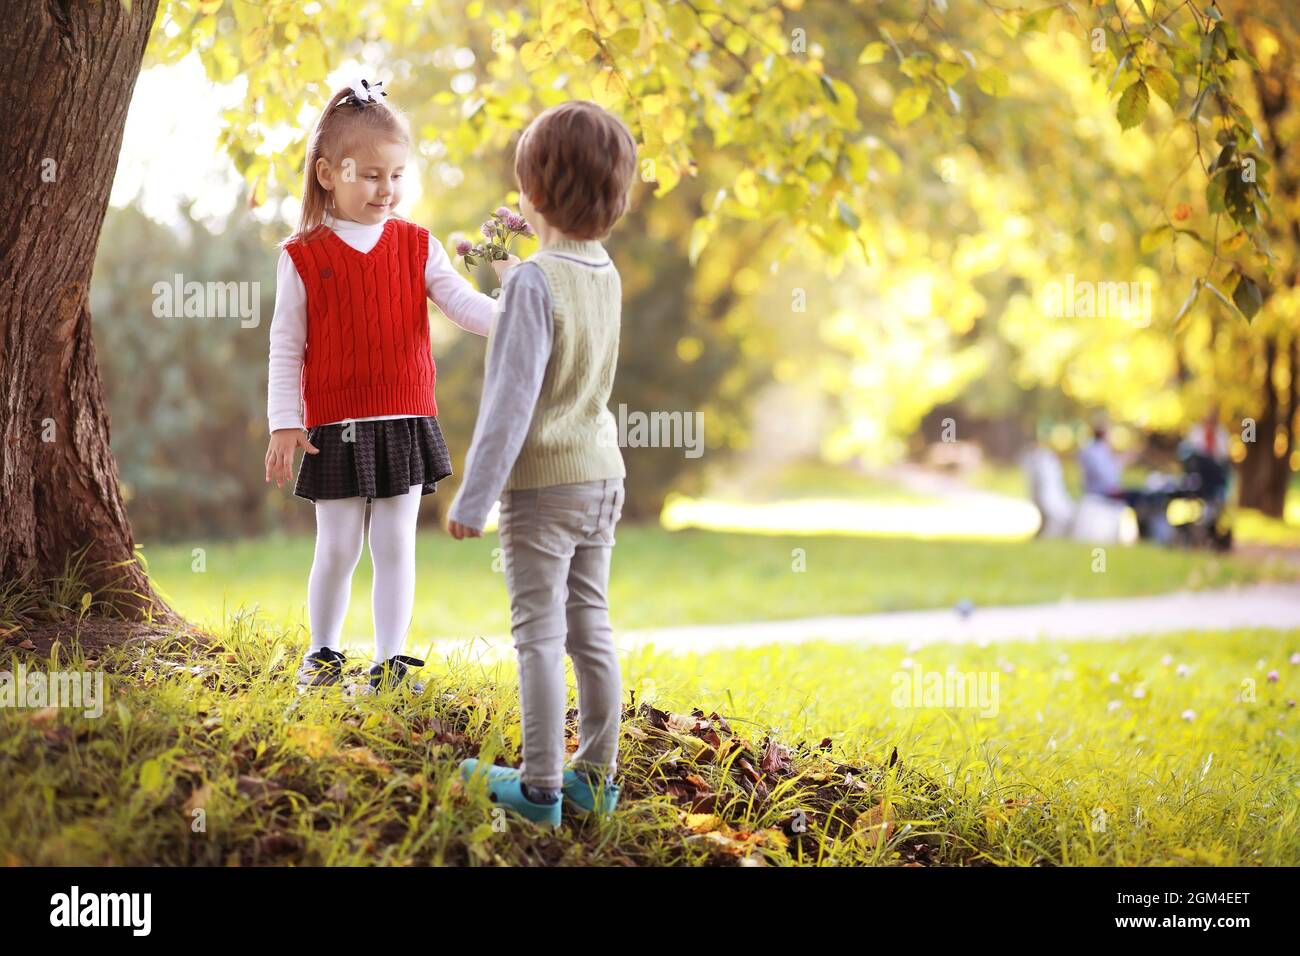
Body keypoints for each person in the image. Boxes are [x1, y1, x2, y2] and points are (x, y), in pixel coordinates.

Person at [263, 80, 503, 693]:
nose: (386, 189)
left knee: (396, 543)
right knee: (338, 546)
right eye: (371, 175)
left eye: (396, 175)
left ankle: (392, 660)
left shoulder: (416, 245)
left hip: (403, 419)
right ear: (326, 173)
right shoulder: (303, 255)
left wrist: (514, 319)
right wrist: (284, 422)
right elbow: (286, 346)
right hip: (332, 426)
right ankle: (322, 653)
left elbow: (461, 304)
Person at [448, 100, 637, 827]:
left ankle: (538, 790)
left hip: (541, 487)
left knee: (537, 635)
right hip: (601, 476)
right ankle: (595, 778)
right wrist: (505, 270)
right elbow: (549, 324)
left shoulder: (533, 282)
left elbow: (512, 400)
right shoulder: (604, 272)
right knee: (591, 627)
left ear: (530, 195)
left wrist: (475, 499)